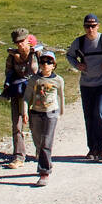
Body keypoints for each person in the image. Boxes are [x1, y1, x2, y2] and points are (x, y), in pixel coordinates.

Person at [65, 13, 102, 162]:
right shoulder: (79, 42)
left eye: (93, 26)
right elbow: (69, 55)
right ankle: (92, 148)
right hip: (86, 84)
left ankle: (100, 148)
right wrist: (77, 65)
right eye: (87, 26)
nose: (90, 29)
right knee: (89, 116)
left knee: (100, 114)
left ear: (98, 26)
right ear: (84, 27)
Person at [25, 48, 65, 186]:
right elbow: (26, 97)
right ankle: (44, 160)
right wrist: (25, 112)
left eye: (49, 62)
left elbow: (61, 96)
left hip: (51, 113)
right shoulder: (34, 80)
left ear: (54, 65)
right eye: (43, 62)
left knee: (46, 142)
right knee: (38, 141)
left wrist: (60, 112)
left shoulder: (59, 80)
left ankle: (44, 172)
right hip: (36, 112)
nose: (45, 65)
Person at [2, 27, 40, 169]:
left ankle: (40, 151)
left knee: (35, 124)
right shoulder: (12, 56)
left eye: (22, 41)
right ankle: (18, 156)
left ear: (28, 40)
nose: (20, 45)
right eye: (17, 42)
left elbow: (46, 71)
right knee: (17, 125)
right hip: (18, 93)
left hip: (36, 94)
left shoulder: (37, 53)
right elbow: (8, 73)